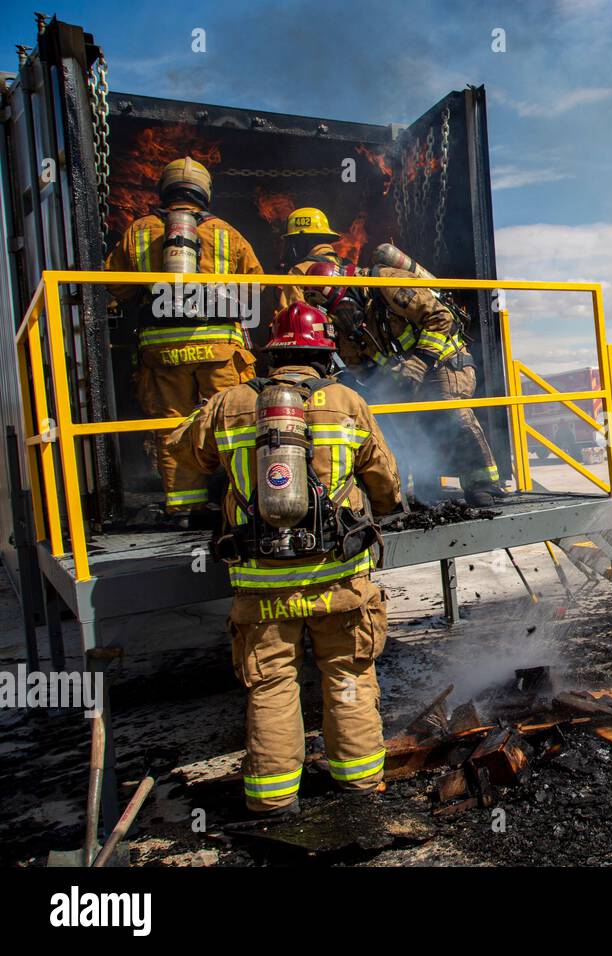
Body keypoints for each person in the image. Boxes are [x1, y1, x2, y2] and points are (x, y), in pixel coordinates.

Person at [167, 302, 401, 818]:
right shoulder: (346, 401)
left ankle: (273, 799)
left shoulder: (228, 402)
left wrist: (209, 489)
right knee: (349, 674)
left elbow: (181, 449)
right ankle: (360, 784)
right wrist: (386, 509)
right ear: (324, 353)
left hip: (261, 583)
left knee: (271, 685)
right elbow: (382, 473)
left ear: (272, 354)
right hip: (338, 577)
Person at [104, 156, 262, 520]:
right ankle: (244, 502)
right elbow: (255, 285)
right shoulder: (225, 232)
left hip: (162, 353)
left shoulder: (139, 230)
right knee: (234, 421)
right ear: (204, 192)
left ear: (166, 188)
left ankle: (184, 508)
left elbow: (114, 285)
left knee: (173, 425)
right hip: (220, 351)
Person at [302, 260, 504, 506]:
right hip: (404, 376)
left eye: (342, 307)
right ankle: (421, 490)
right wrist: (370, 386)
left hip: (444, 361)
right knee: (399, 424)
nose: (342, 316)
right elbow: (357, 364)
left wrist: (419, 362)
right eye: (335, 313)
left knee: (450, 411)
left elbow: (441, 318)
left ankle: (482, 485)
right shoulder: (346, 326)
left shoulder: (386, 283)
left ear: (350, 287)